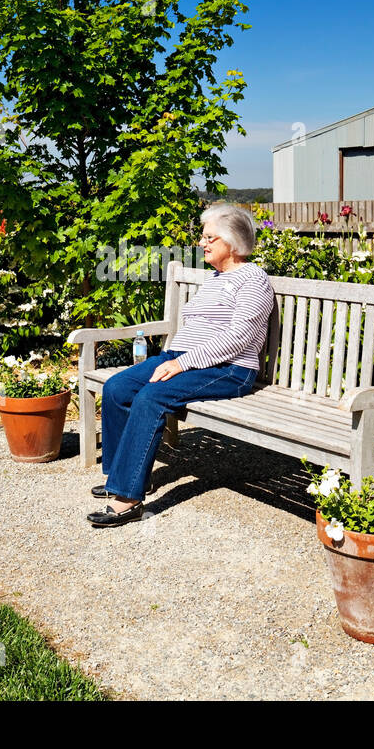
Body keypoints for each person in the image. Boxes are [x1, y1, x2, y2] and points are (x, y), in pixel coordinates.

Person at [87, 204, 276, 527]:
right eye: (203, 237)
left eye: (209, 237)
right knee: (117, 388)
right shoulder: (216, 279)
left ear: (232, 242)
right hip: (183, 359)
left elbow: (239, 338)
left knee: (151, 397)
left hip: (229, 368)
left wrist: (182, 364)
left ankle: (128, 499)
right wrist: (176, 360)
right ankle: (125, 476)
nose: (202, 243)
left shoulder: (253, 279)